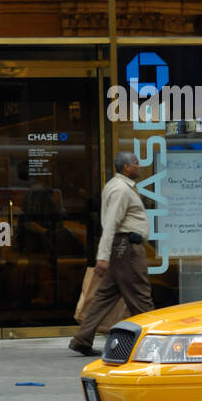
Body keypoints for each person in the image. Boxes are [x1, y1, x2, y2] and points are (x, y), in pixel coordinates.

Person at [69, 151, 154, 356]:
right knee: (141, 297)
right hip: (126, 248)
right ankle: (153, 342)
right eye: (136, 163)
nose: (140, 166)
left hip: (121, 248)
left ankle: (82, 339)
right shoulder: (121, 190)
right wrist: (103, 257)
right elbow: (110, 225)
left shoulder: (118, 187)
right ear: (126, 168)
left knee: (105, 296)